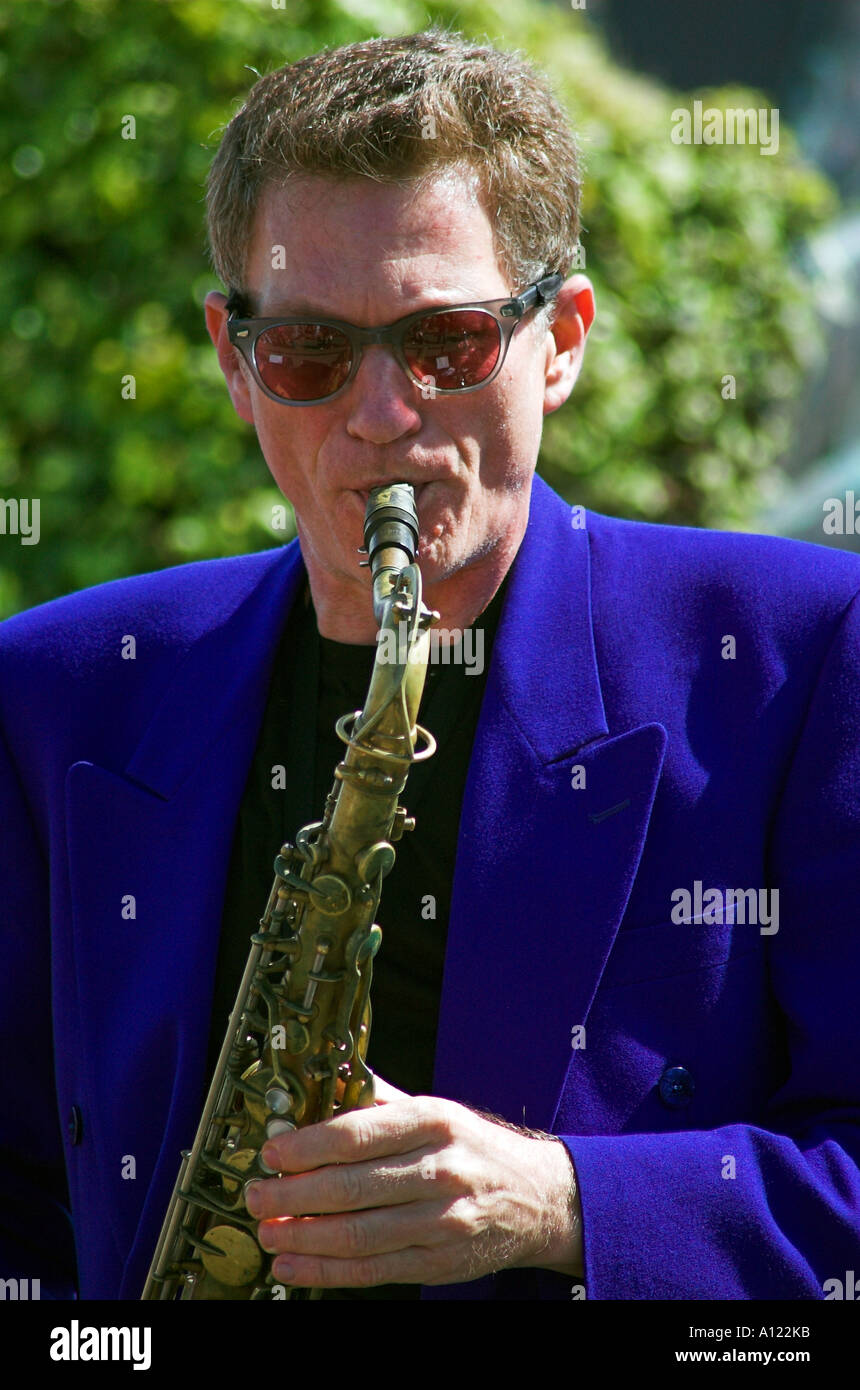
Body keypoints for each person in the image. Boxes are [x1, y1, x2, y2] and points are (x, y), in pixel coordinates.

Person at [1, 28, 859, 1304]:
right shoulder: (58, 685)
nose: (380, 414)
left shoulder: (800, 649)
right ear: (237, 362)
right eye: (308, 354)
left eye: (445, 342)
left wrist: (559, 1202)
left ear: (559, 338)